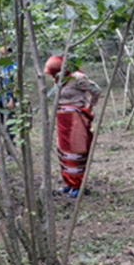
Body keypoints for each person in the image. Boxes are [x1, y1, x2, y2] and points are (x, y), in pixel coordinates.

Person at [44, 55, 101, 199]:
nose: (53, 76)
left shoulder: (78, 78)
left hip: (75, 119)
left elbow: (96, 90)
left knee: (75, 150)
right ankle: (68, 181)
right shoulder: (57, 80)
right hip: (61, 119)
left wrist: (89, 107)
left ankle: (77, 185)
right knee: (63, 150)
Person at [0, 46, 17, 145]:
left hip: (9, 99)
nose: (5, 55)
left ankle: (11, 149)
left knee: (10, 125)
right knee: (1, 124)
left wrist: (12, 100)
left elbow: (16, 84)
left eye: (7, 53)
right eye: (3, 53)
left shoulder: (13, 66)